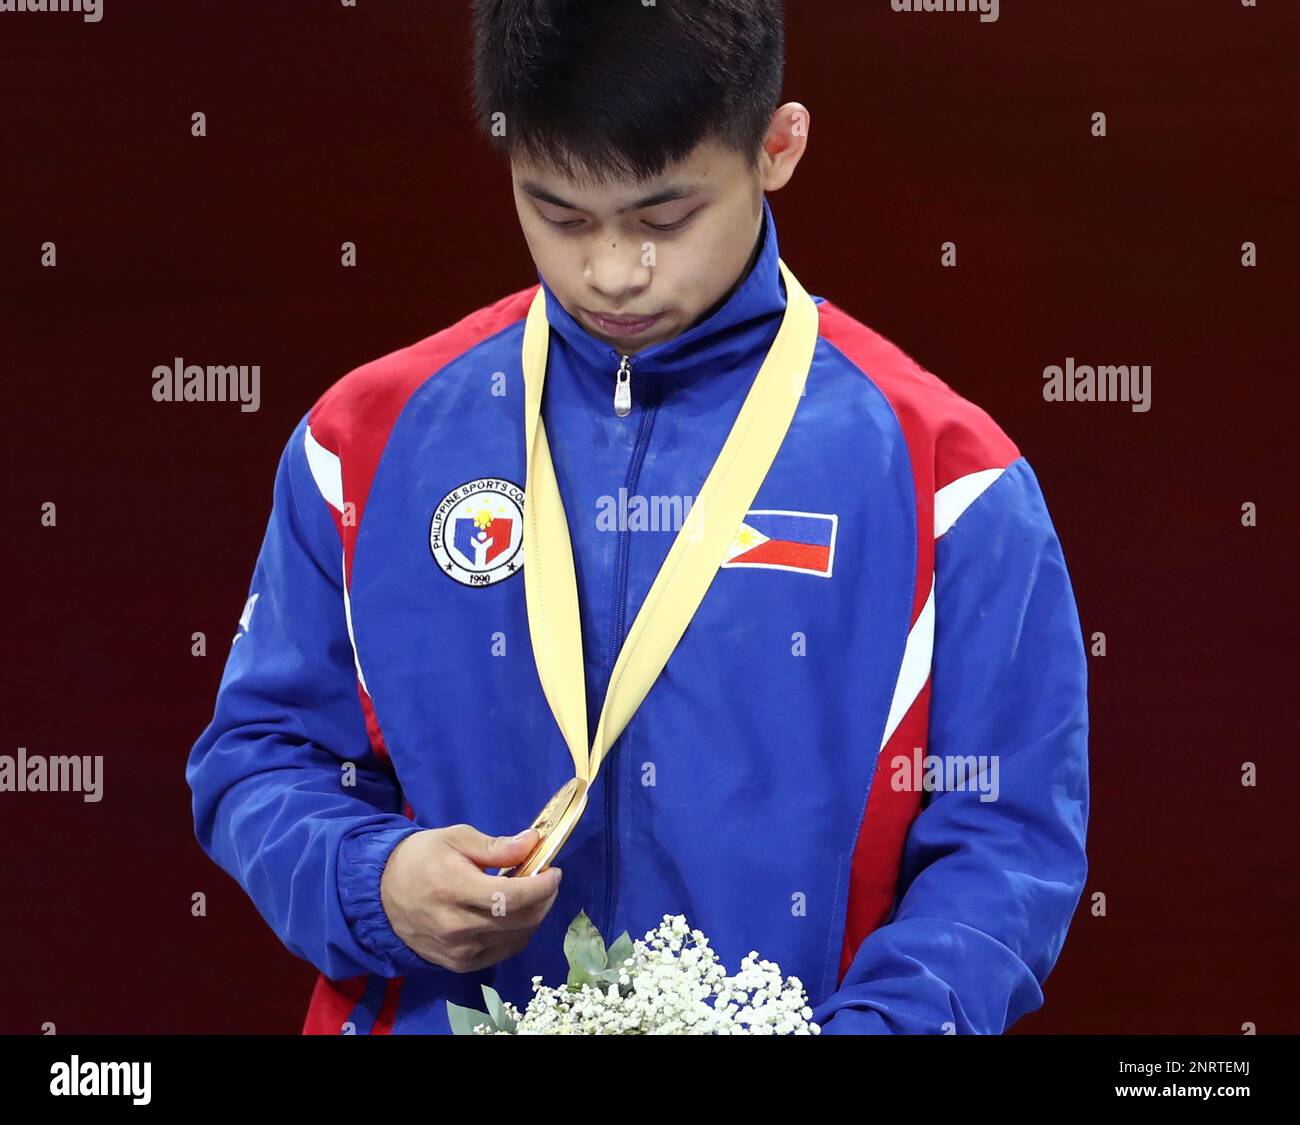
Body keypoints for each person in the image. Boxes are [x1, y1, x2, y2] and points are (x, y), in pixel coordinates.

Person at [186, 0, 1089, 1035]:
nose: (612, 271)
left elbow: (1007, 842)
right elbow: (258, 755)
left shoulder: (947, 476)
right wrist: (372, 881)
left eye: (663, 219)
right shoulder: (365, 441)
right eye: (560, 215)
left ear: (777, 146)